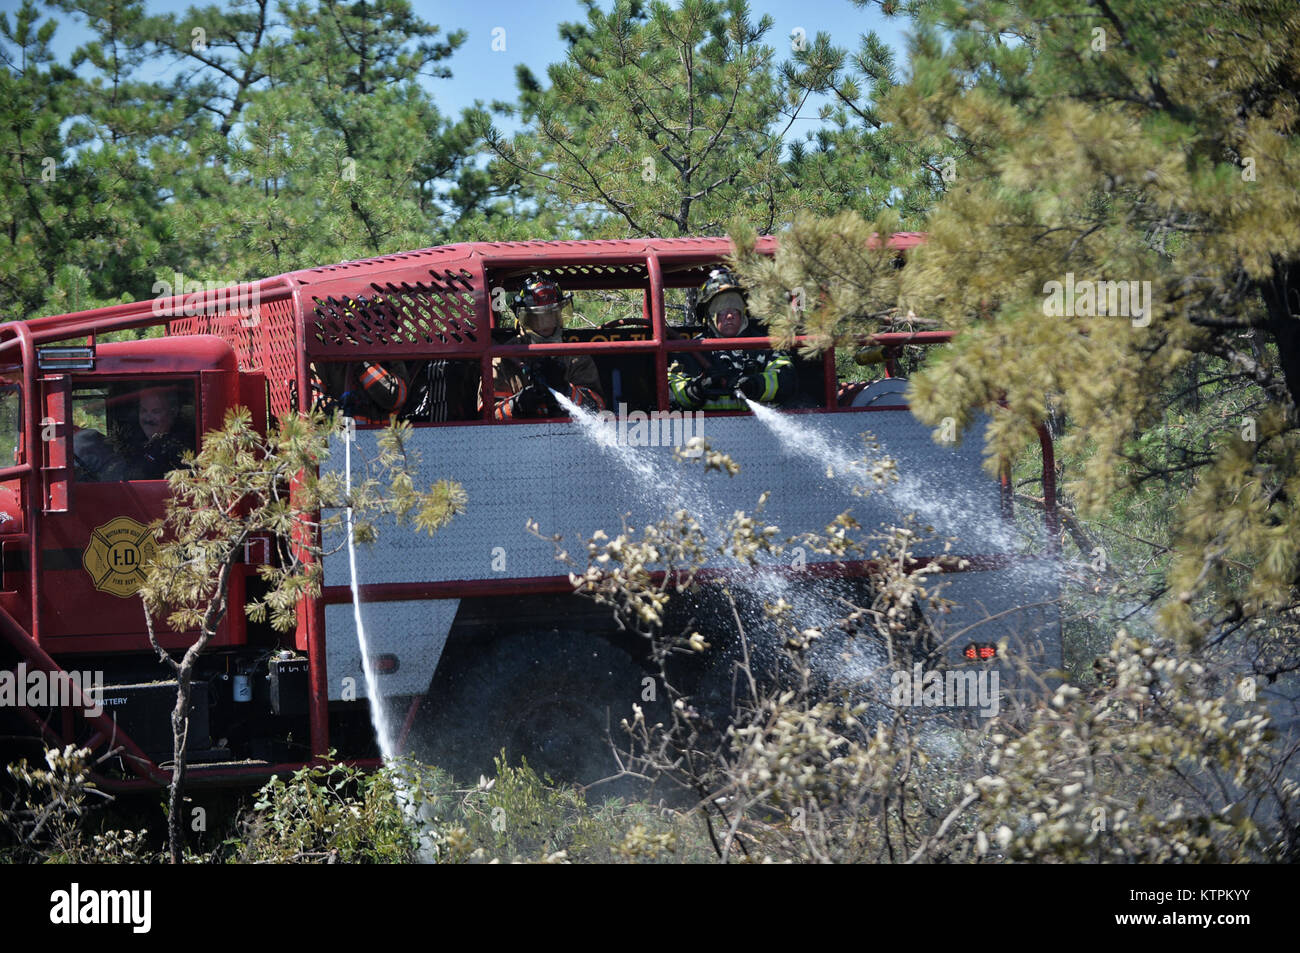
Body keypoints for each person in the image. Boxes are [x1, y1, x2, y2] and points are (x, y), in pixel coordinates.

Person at [668, 267, 796, 412]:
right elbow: (673, 389)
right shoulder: (691, 350)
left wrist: (756, 385)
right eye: (721, 309)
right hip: (705, 428)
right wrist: (698, 388)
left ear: (744, 312)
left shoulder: (764, 344)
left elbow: (786, 377)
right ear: (709, 315)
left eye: (735, 308)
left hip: (757, 426)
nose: (729, 315)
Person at [488, 276, 606, 419]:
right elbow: (488, 417)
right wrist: (518, 405)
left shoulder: (576, 356)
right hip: (518, 438)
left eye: (551, 314)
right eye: (537, 317)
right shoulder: (503, 359)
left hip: (570, 435)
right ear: (524, 318)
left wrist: (566, 389)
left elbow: (597, 409)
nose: (547, 324)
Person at [314, 359, 411, 424]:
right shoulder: (322, 355)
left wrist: (360, 360)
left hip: (383, 444)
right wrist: (341, 416)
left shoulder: (389, 349)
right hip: (341, 444)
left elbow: (395, 398)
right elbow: (312, 402)